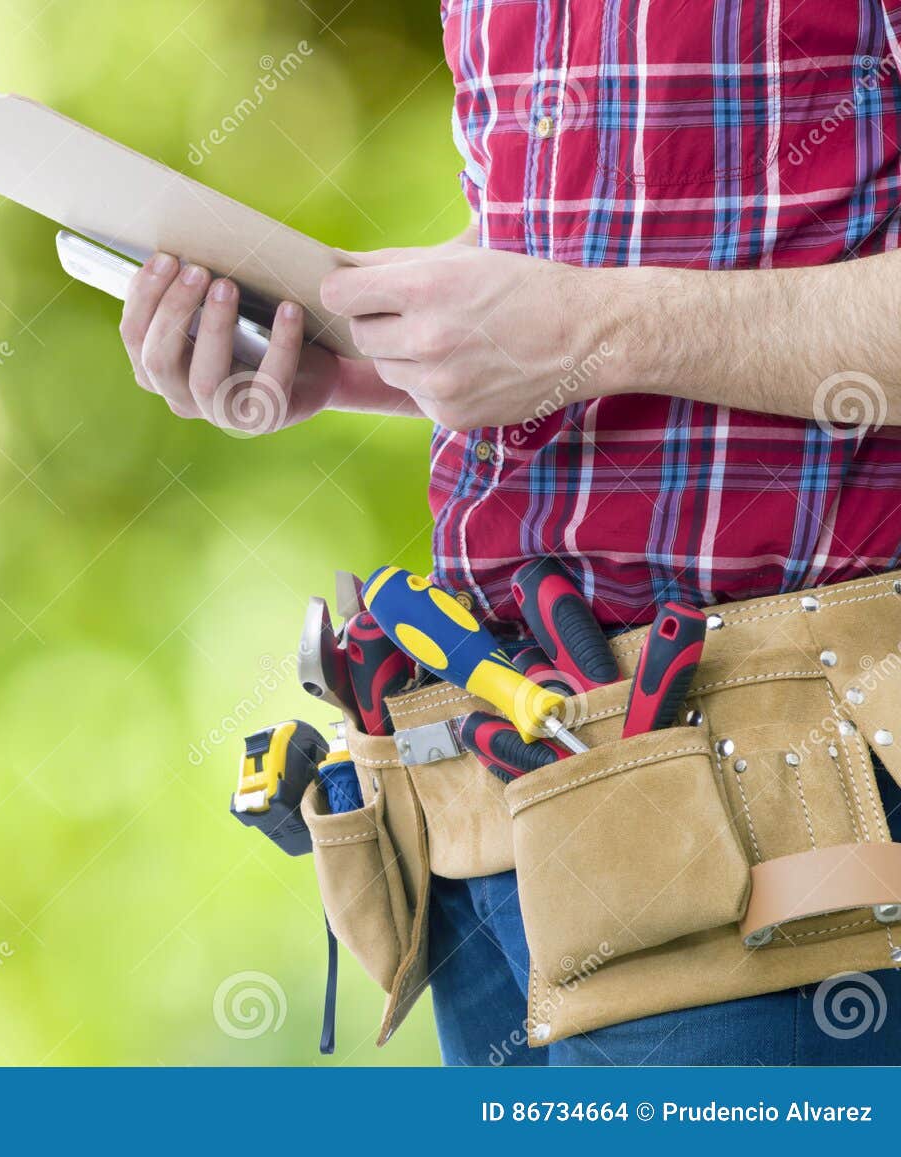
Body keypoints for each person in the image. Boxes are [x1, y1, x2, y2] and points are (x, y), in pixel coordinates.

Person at [119, 2, 901, 1065]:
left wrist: (594, 326)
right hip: (491, 822)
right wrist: (344, 359)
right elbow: (581, 262)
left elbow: (586, 308)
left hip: (792, 809)